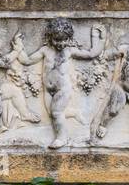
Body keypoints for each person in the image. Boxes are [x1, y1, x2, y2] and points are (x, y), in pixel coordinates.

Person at [14, 18, 104, 148]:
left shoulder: (69, 51)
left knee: (56, 113)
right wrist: (19, 46)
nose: (61, 44)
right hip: (48, 91)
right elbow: (27, 60)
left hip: (63, 89)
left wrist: (98, 37)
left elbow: (91, 54)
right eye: (57, 40)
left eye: (64, 40)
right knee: (53, 114)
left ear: (69, 38)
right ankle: (74, 113)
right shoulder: (45, 50)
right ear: (50, 37)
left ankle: (62, 138)